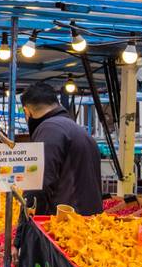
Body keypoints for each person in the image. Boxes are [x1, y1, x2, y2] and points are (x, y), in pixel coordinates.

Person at [21, 84, 102, 215]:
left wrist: (25, 226)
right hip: (87, 223)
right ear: (56, 103)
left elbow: (38, 185)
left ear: (27, 111)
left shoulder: (49, 130)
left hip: (64, 226)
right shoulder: (79, 131)